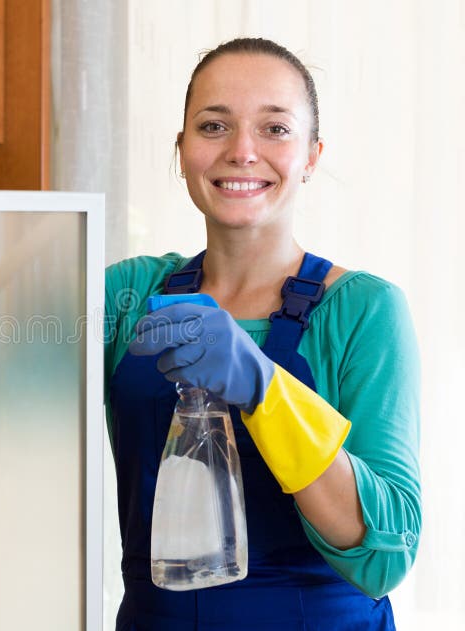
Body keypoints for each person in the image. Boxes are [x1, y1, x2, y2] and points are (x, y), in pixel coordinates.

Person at [104, 37, 421, 630]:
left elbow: (385, 554)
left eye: (275, 129)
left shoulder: (364, 311)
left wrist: (266, 389)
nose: (242, 151)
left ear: (311, 154)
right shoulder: (126, 297)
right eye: (213, 125)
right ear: (182, 151)